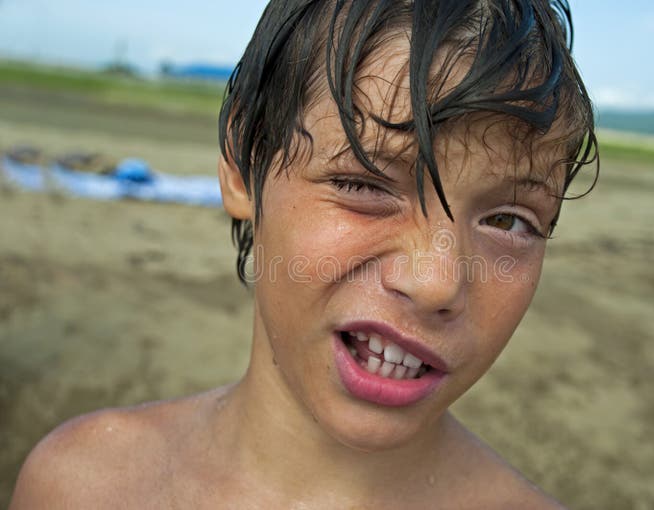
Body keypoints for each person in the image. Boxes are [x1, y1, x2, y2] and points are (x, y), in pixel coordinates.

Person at [10, 0, 597, 508]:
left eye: (507, 221)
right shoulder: (82, 488)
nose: (436, 281)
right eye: (365, 182)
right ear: (243, 162)